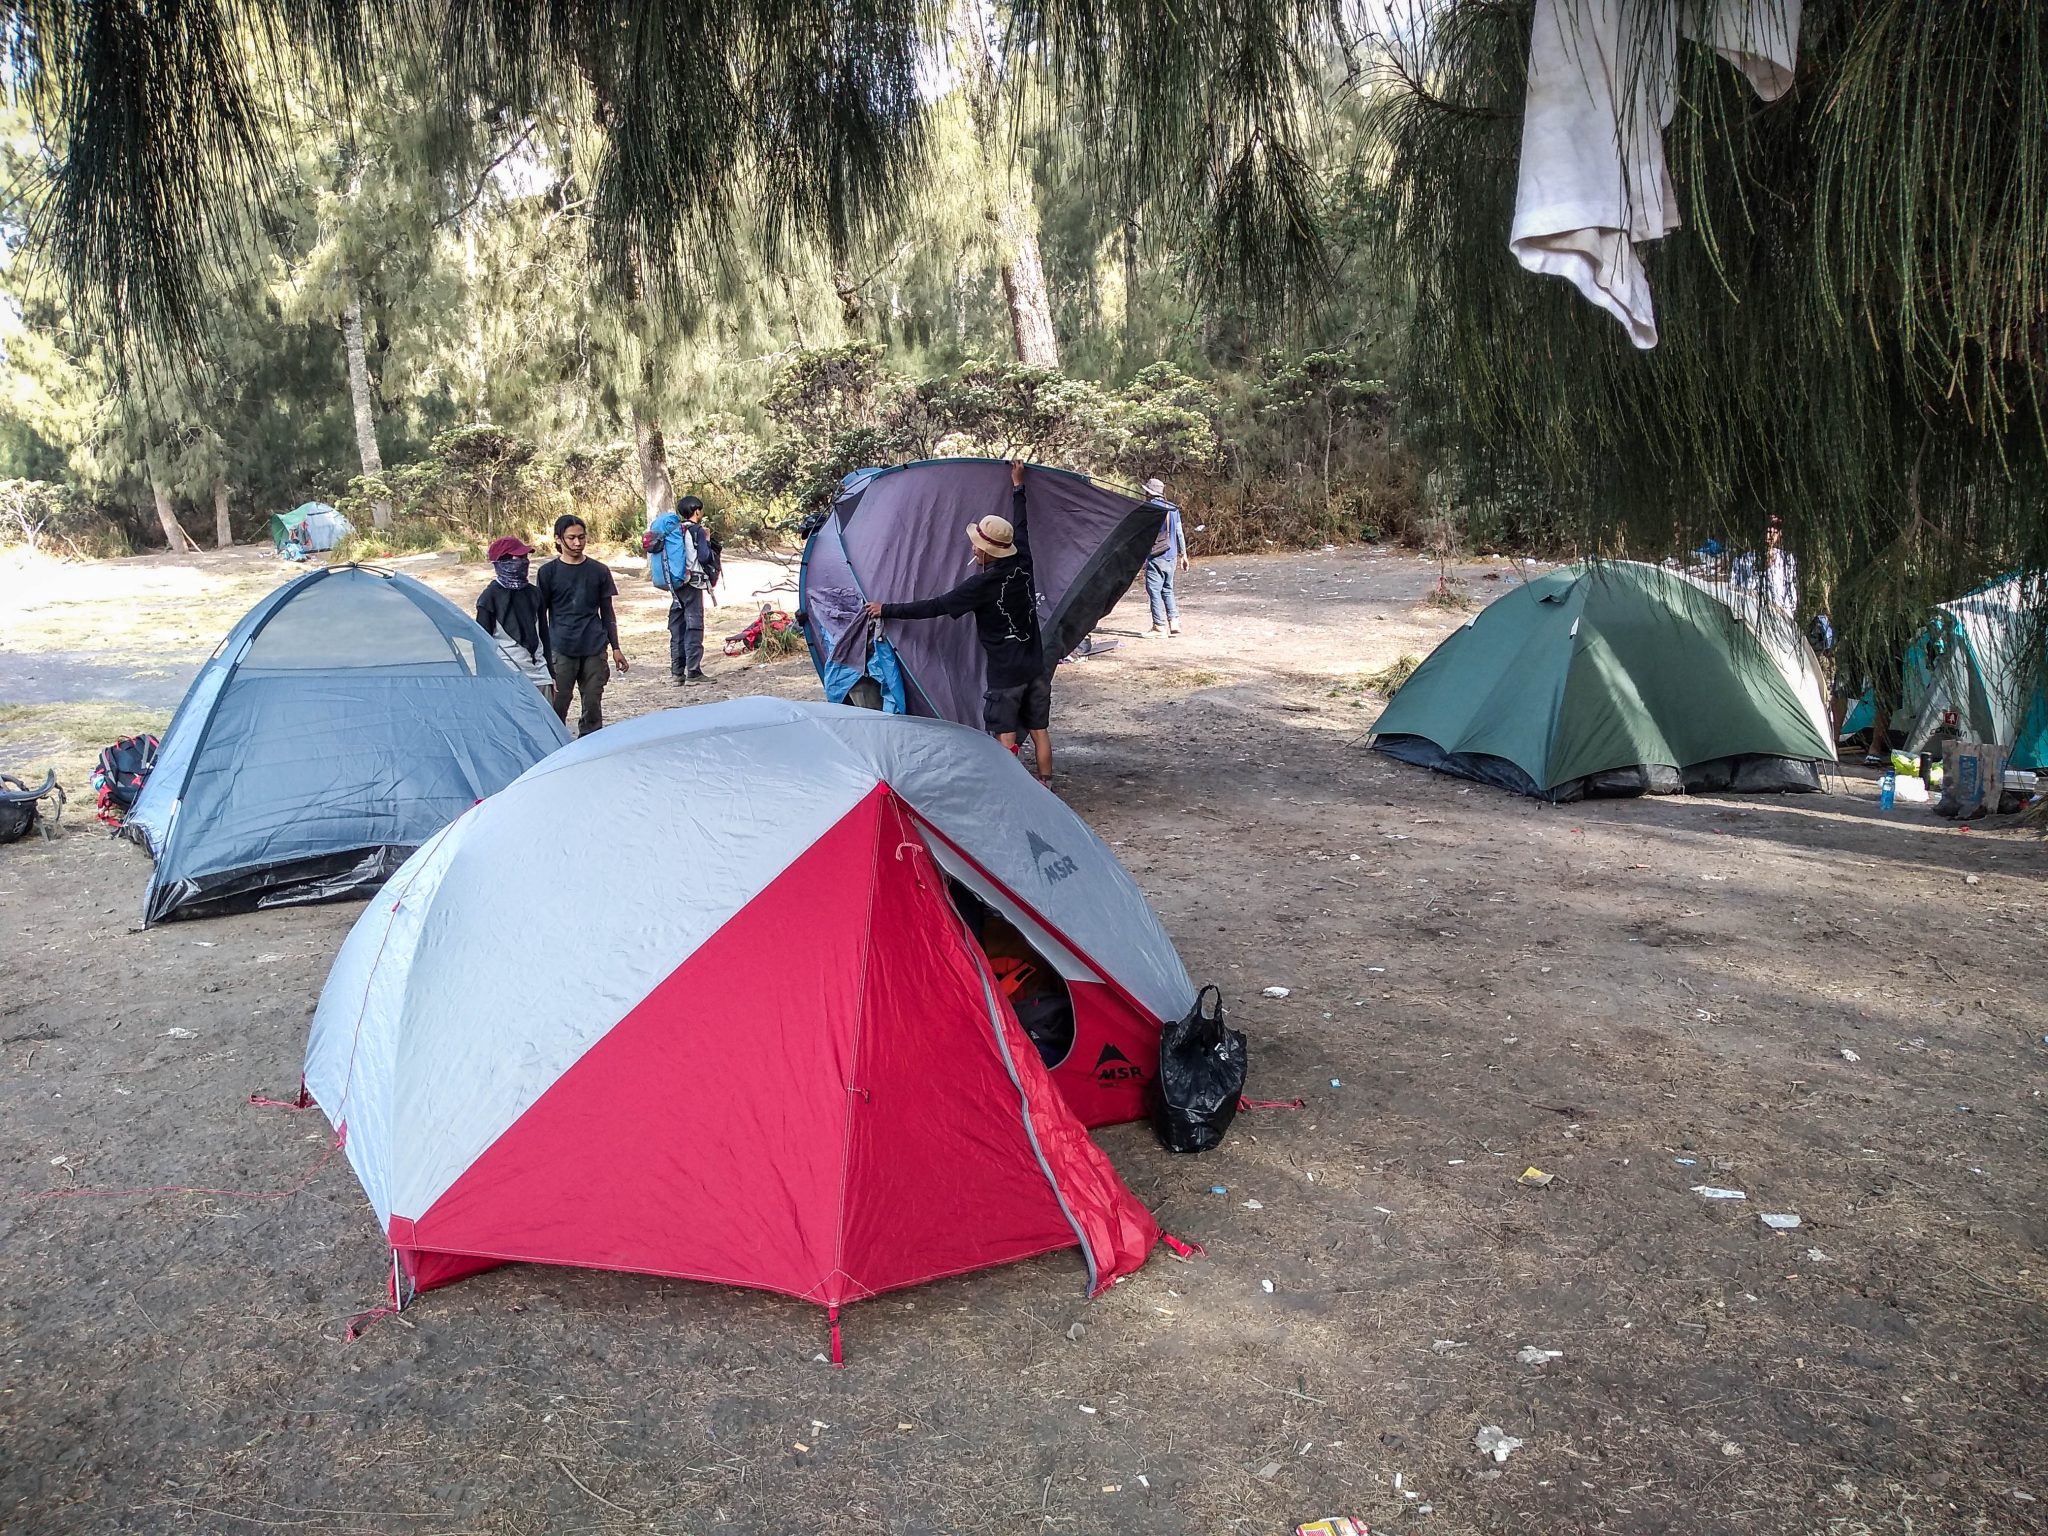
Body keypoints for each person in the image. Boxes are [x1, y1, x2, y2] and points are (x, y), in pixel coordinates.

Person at [864, 459, 1055, 786]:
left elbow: (935, 606)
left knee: (1005, 736)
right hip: (1035, 666)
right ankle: (1046, 784)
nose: (973, 548)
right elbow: (1021, 526)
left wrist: (888, 609)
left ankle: (1014, 791)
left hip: (1006, 675)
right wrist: (1018, 486)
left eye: (977, 546)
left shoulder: (979, 586)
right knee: (1039, 730)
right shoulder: (1023, 560)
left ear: (988, 552)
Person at [536, 513, 627, 735]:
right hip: (561, 647)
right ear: (558, 539)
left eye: (582, 537)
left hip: (594, 646)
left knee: (593, 703)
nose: (577, 543)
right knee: (558, 704)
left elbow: (607, 611)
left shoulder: (599, 570)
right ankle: (555, 745)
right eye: (571, 538)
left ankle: (591, 744)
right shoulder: (547, 573)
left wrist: (616, 648)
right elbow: (540, 614)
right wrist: (541, 652)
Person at [644, 495, 714, 683]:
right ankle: (694, 671)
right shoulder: (697, 530)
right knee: (694, 625)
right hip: (692, 582)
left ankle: (677, 673)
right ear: (697, 511)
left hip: (675, 582)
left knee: (677, 627)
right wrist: (707, 540)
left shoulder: (677, 529)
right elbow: (704, 556)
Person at [475, 535, 553, 702]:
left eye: (526, 557)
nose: (525, 562)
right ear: (502, 562)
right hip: (509, 677)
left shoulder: (534, 593)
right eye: (519, 558)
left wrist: (551, 674)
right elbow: (481, 644)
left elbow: (544, 634)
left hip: (540, 674)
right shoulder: (489, 598)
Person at [1140, 476, 1188, 637]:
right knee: (1167, 589)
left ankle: (1158, 626)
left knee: (1154, 590)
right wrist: (1184, 555)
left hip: (1156, 555)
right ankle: (1174, 622)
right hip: (1172, 555)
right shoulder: (1173, 508)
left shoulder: (1150, 508)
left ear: (1149, 493)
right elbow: (1179, 533)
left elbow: (1144, 535)